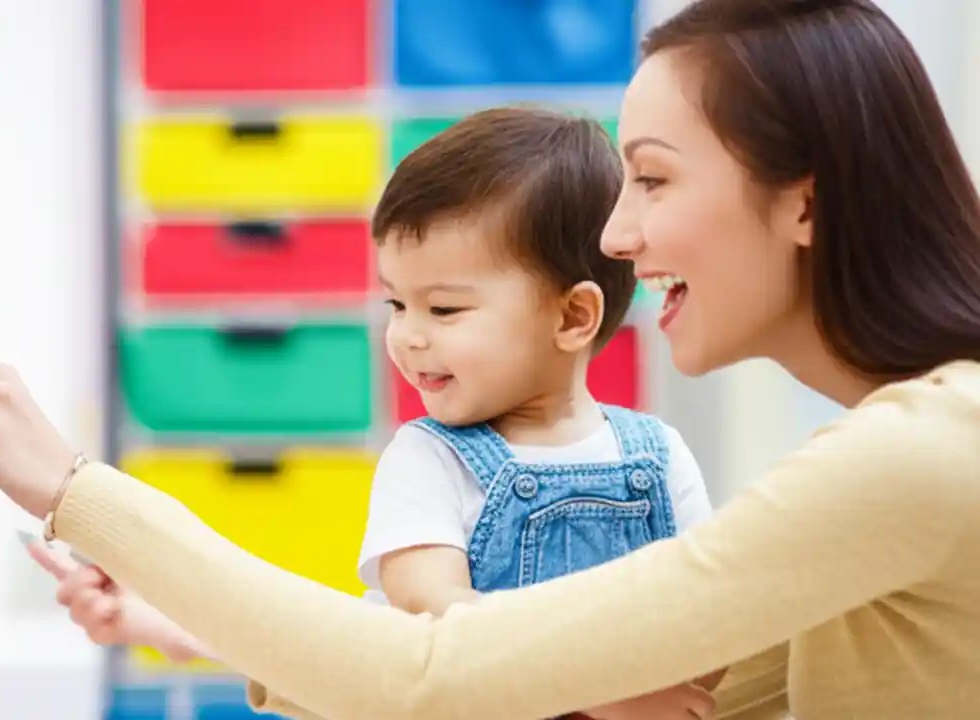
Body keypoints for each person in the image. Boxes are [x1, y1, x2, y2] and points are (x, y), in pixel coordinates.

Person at [0, 0, 980, 716]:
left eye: (650, 179)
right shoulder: (918, 452)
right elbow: (573, 683)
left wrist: (73, 490)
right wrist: (182, 623)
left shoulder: (909, 461)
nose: (618, 233)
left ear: (801, 203)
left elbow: (436, 678)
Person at [45, 107, 721, 720]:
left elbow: (710, 621)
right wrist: (604, 690)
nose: (407, 336)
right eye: (398, 305)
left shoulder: (656, 458)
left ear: (573, 316)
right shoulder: (430, 458)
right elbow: (438, 618)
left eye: (445, 309)